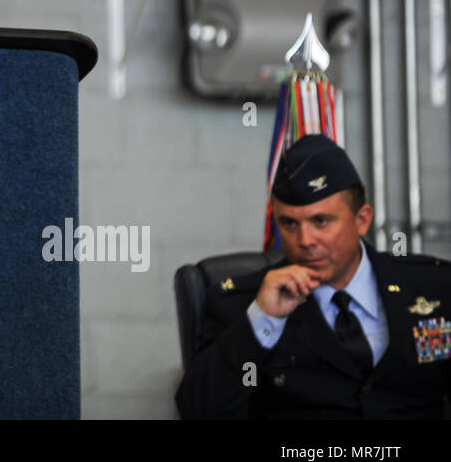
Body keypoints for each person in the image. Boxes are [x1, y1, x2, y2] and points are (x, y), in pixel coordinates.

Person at [176, 134, 451, 419]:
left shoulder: (433, 287)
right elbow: (199, 412)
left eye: (321, 221)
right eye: (289, 223)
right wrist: (263, 320)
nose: (305, 240)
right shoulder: (242, 303)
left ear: (362, 220)